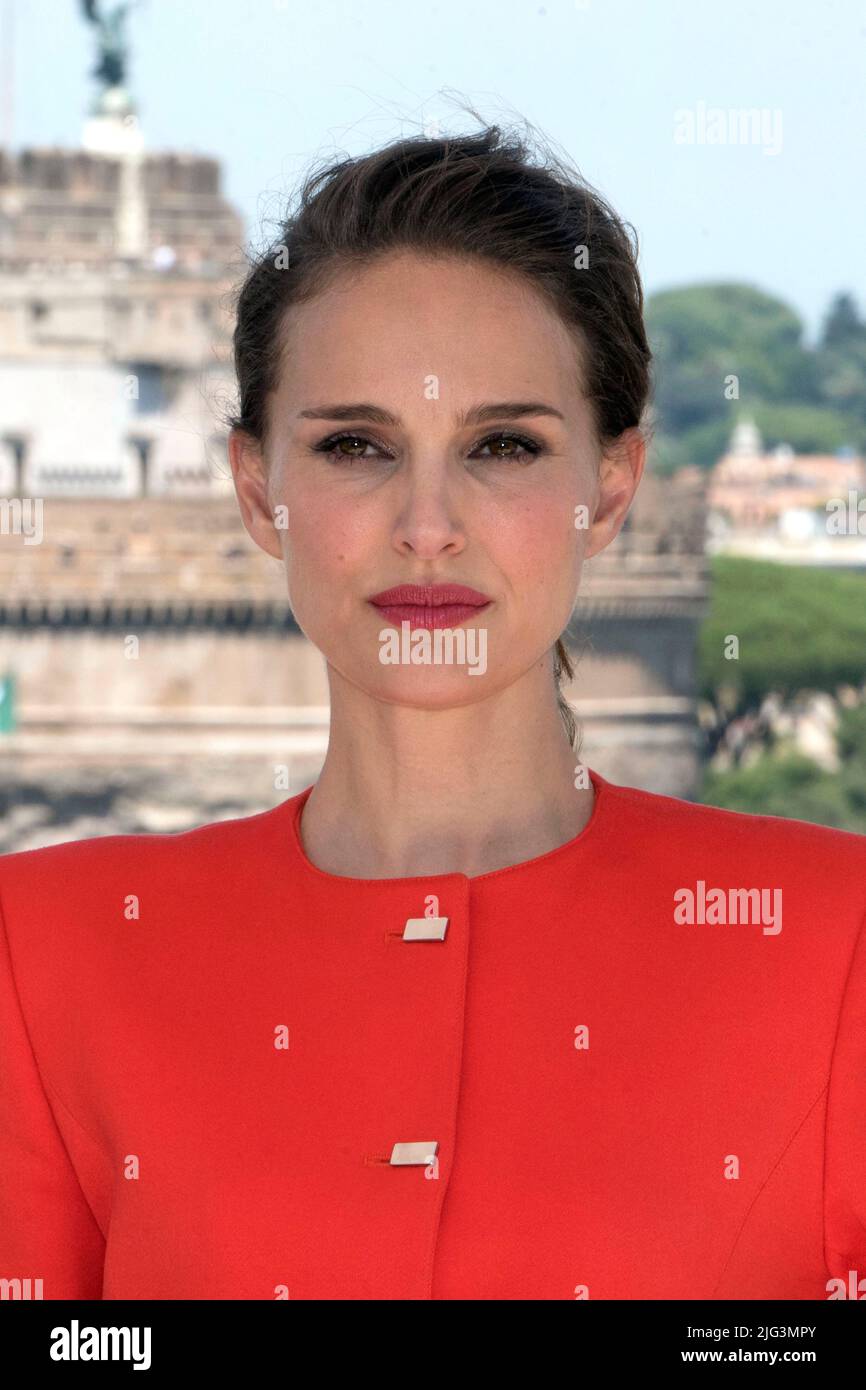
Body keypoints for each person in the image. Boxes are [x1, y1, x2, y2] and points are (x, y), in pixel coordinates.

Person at [1, 126, 864, 1301]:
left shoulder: (834, 945)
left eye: (503, 445)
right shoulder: (44, 952)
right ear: (258, 488)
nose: (426, 524)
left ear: (609, 487)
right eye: (354, 445)